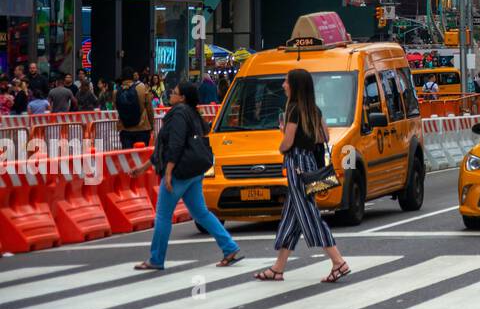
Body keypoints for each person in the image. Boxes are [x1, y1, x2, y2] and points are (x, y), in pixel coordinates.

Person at [133, 82, 242, 271]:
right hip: (194, 172)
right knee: (201, 213)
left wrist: (168, 172)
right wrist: (144, 167)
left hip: (179, 173)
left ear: (182, 97)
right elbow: (165, 147)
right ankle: (229, 247)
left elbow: (174, 145)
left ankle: (156, 259)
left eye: (174, 92)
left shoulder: (178, 114)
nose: (171, 94)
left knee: (163, 216)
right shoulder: (193, 114)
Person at [256, 68, 350, 284]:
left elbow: (287, 142)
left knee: (309, 214)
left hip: (296, 164)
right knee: (292, 217)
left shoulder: (293, 110)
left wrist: (282, 143)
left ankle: (338, 261)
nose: (283, 85)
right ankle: (277, 268)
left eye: (286, 82)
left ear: (295, 85)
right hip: (309, 163)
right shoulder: (313, 109)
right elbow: (324, 136)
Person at [116, 71, 155, 149]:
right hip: (142, 127)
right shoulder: (142, 88)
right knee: (142, 156)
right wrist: (152, 126)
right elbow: (149, 109)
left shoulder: (118, 91)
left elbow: (118, 108)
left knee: (127, 157)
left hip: (125, 129)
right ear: (133, 77)